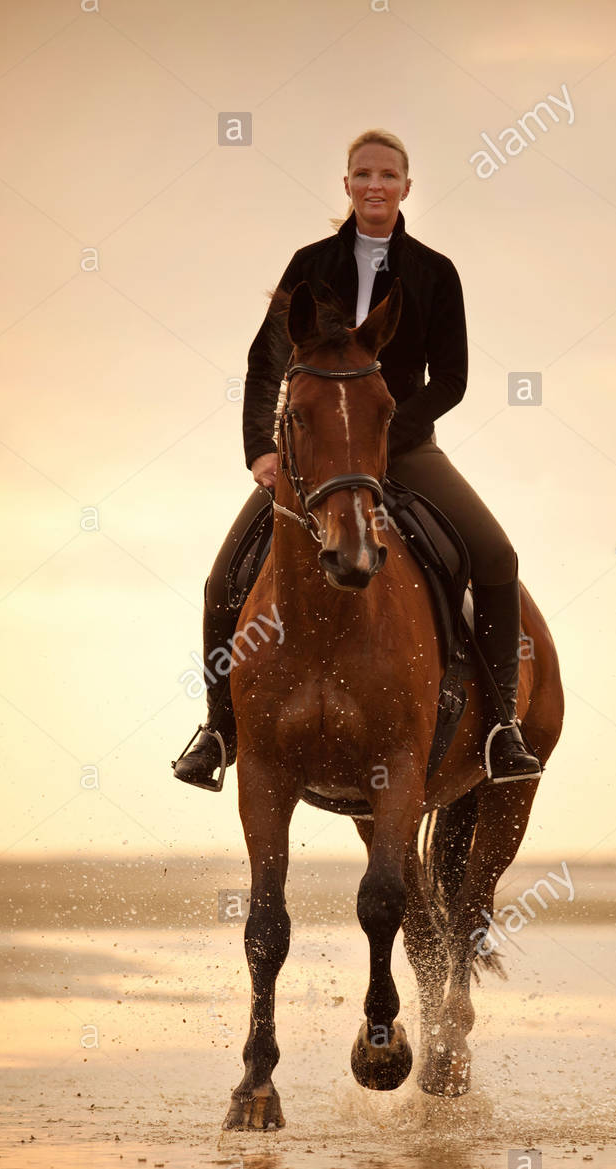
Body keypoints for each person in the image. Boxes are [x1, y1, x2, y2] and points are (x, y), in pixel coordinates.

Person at [173, 128, 541, 790]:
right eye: (363, 174)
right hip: (312, 458)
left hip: (402, 447)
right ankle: (217, 729)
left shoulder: (436, 272)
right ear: (347, 185)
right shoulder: (309, 263)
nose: (376, 185)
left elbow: (451, 380)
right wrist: (261, 447)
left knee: (496, 557)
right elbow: (266, 362)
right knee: (224, 576)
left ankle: (499, 731)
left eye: (388, 175)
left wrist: (386, 435)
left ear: (407, 186)